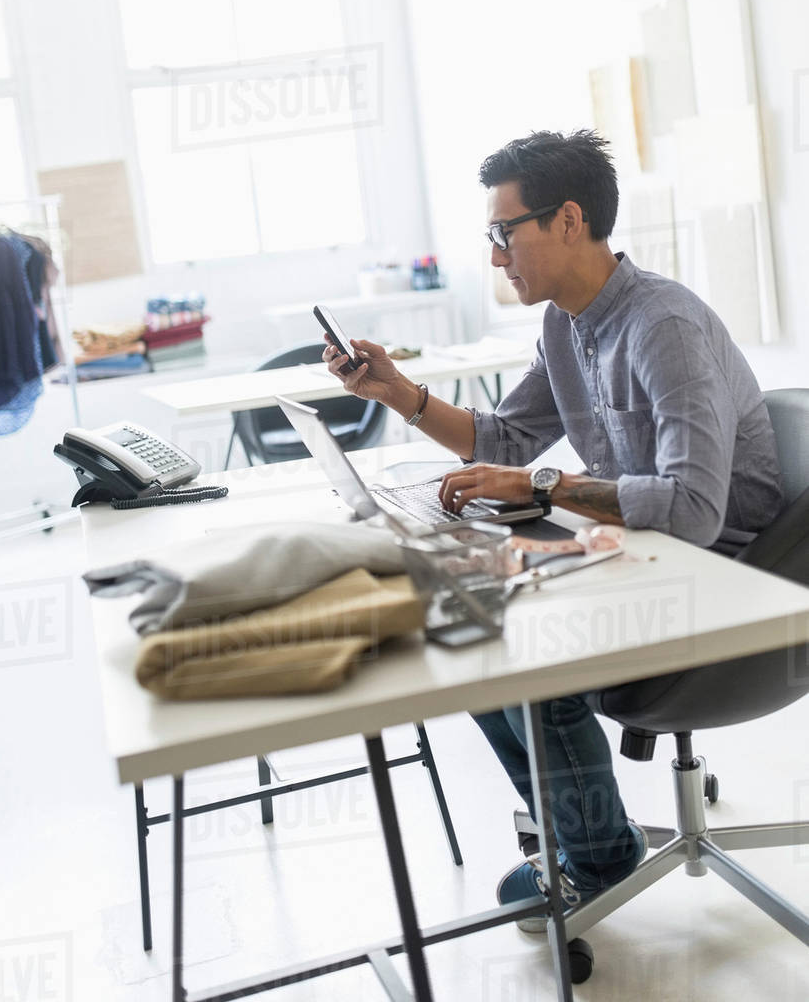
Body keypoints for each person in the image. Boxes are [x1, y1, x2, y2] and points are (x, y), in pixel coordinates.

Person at [322, 129, 782, 930]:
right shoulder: (567, 326)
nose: (497, 256)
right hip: (646, 556)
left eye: (505, 232)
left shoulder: (661, 326)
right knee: (469, 632)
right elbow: (506, 441)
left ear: (569, 220)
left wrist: (544, 486)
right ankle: (586, 832)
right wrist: (396, 391)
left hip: (726, 586)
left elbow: (696, 510)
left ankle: (597, 856)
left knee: (520, 648)